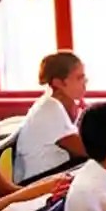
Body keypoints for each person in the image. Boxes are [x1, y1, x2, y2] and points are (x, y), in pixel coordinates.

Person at [13, 51, 88, 184]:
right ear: (58, 83)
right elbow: (85, 149)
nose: (85, 82)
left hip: (54, 174)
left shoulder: (54, 103)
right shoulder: (50, 108)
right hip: (38, 181)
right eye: (79, 78)